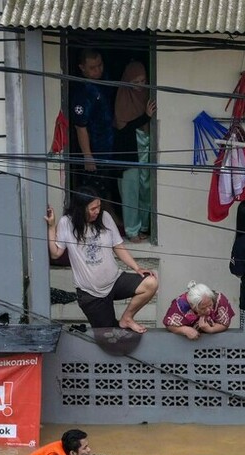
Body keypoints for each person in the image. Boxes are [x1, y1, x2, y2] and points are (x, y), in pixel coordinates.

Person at [46, 186, 159, 332]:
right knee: (109, 336)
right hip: (91, 293)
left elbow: (118, 246)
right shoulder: (66, 222)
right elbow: (55, 254)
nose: (97, 211)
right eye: (93, 209)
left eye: (99, 206)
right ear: (80, 209)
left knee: (151, 283)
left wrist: (137, 268)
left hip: (115, 281)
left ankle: (127, 318)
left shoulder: (105, 217)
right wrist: (51, 227)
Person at [114, 60, 155, 242]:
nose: (139, 85)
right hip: (129, 152)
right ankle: (132, 231)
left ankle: (144, 226)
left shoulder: (148, 95)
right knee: (130, 191)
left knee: (146, 188)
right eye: (135, 82)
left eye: (143, 81)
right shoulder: (123, 96)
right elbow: (123, 127)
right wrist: (145, 117)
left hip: (145, 149)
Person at [70, 49, 116, 194]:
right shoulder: (82, 93)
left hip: (110, 149)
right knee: (95, 194)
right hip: (95, 153)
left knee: (108, 191)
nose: (98, 70)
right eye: (92, 68)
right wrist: (88, 156)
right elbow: (80, 126)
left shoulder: (104, 80)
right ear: (82, 68)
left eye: (100, 65)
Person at [163, 281, 234, 339]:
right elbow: (169, 324)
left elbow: (224, 323)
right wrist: (185, 330)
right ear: (192, 306)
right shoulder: (180, 305)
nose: (208, 310)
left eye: (210, 305)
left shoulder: (219, 300)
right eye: (202, 308)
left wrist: (211, 329)